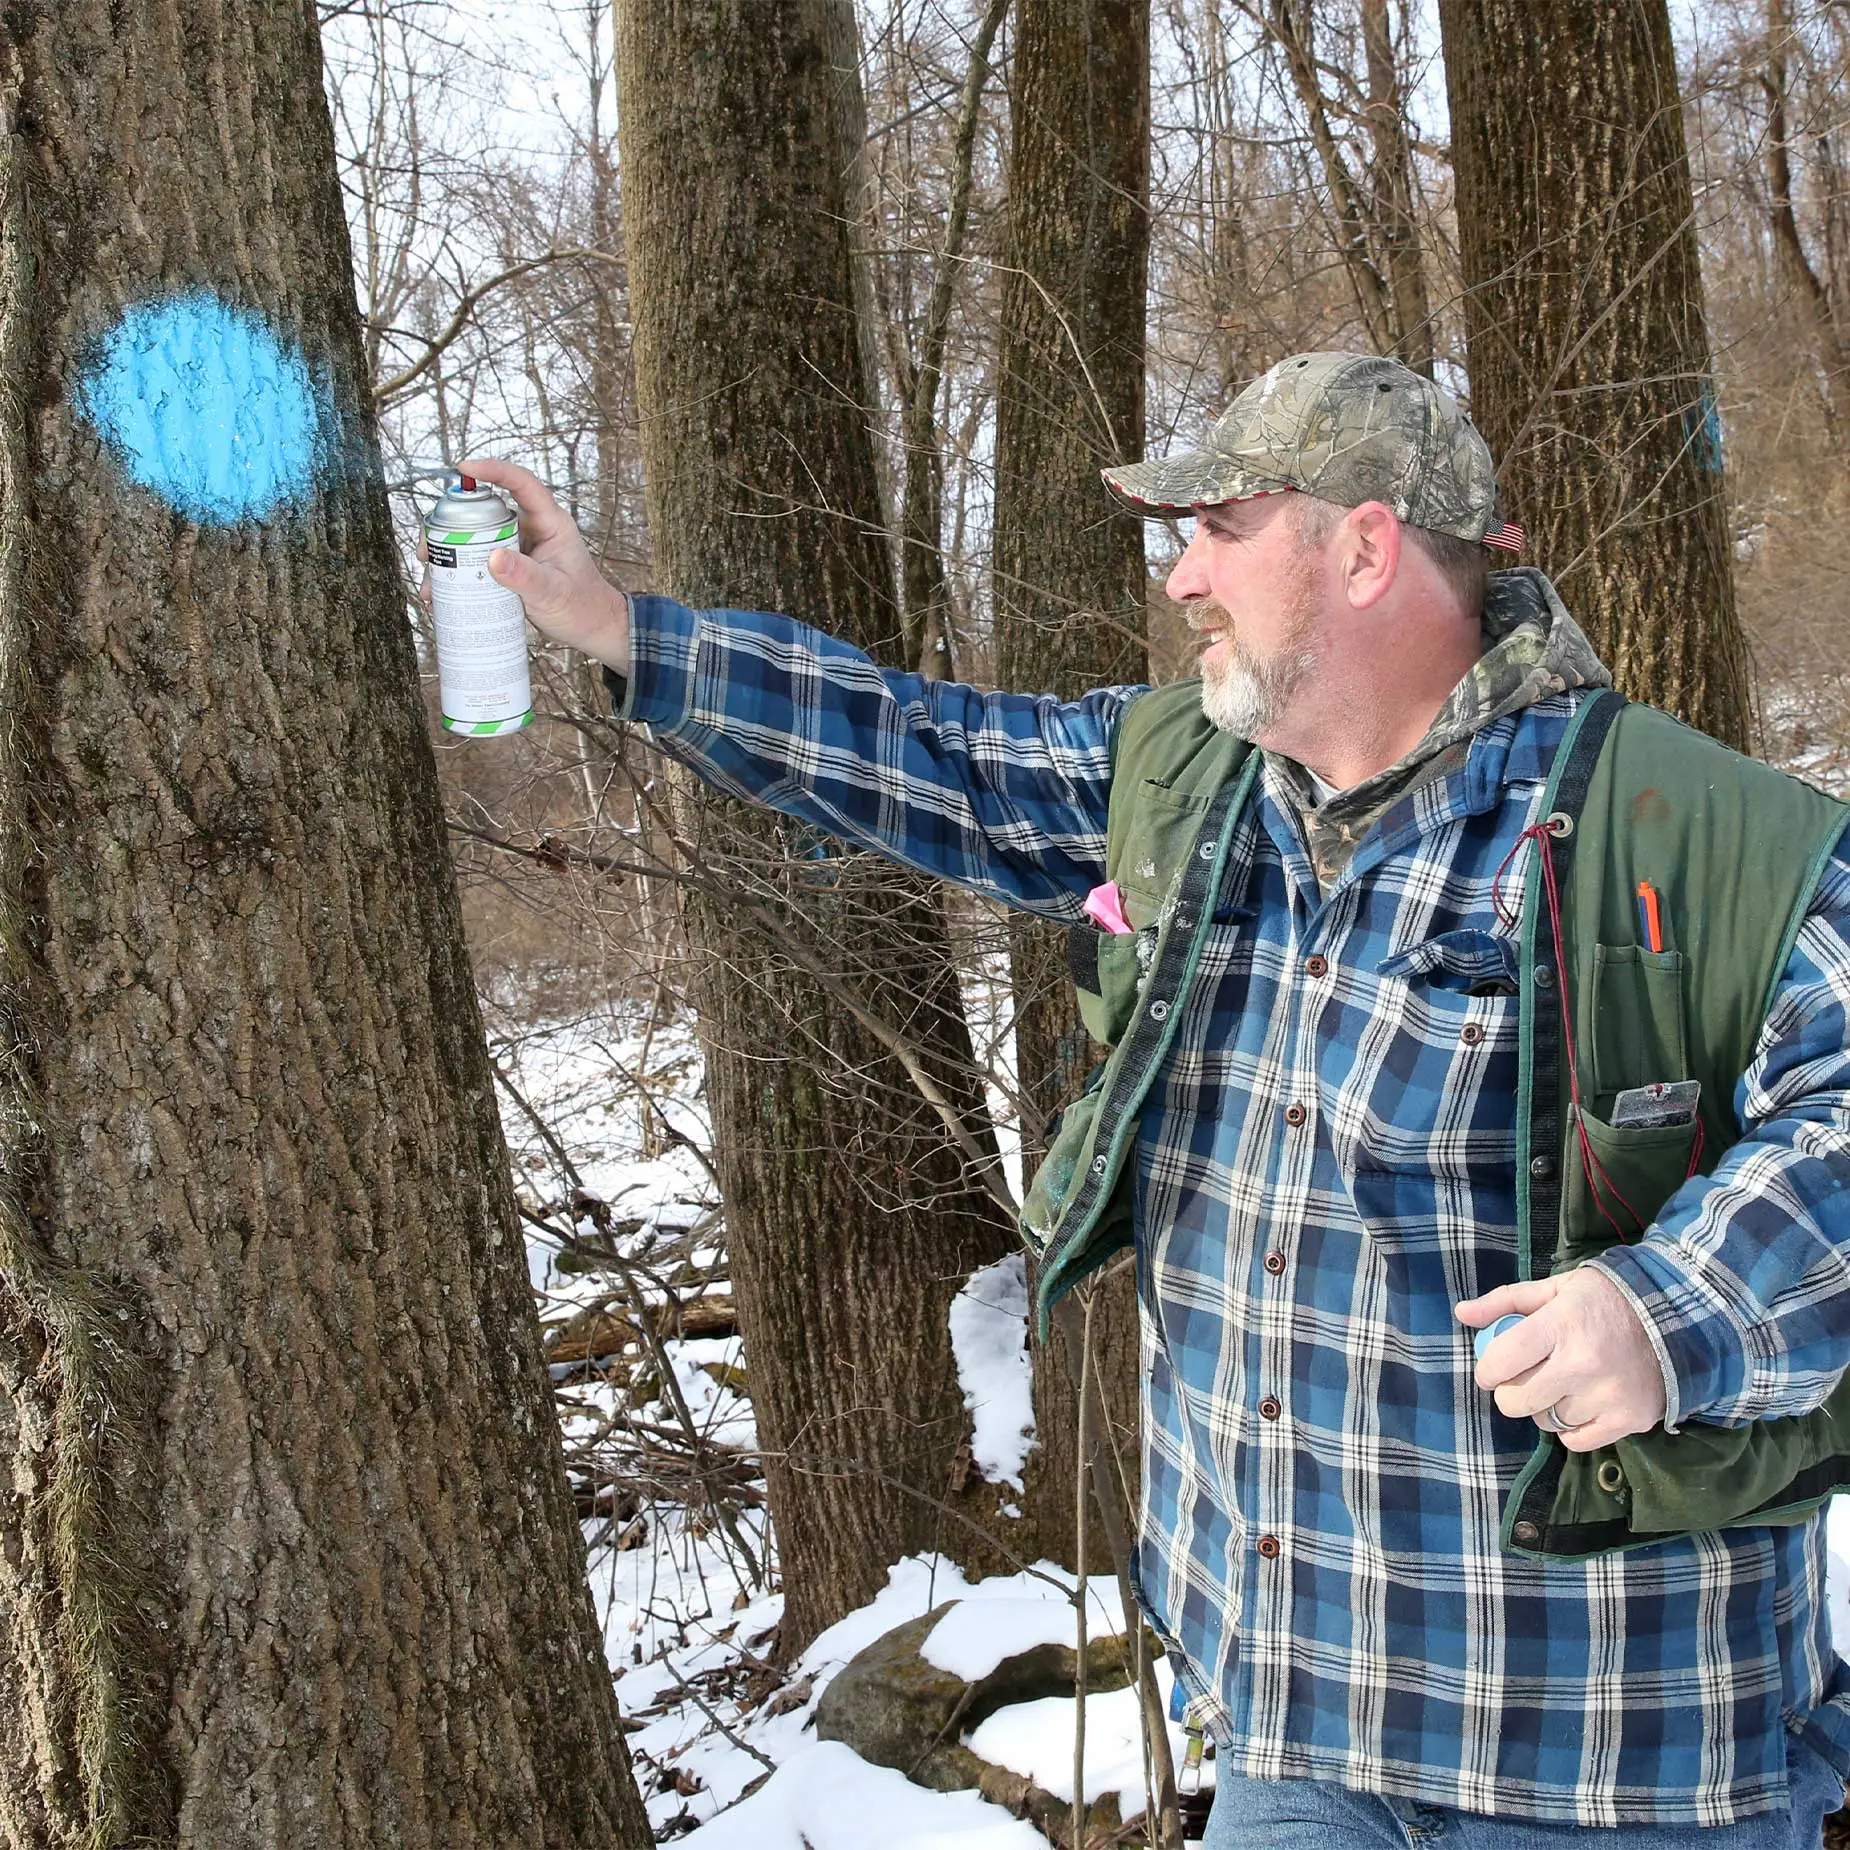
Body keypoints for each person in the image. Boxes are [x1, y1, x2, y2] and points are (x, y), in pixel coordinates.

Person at [436, 352, 1850, 1847]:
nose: (1180, 577)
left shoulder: (1681, 832)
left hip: (1605, 1756)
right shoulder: (1189, 789)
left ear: (1361, 547)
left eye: (1216, 528)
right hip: (1286, 1734)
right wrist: (620, 630)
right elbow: (933, 754)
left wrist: (1669, 1311)